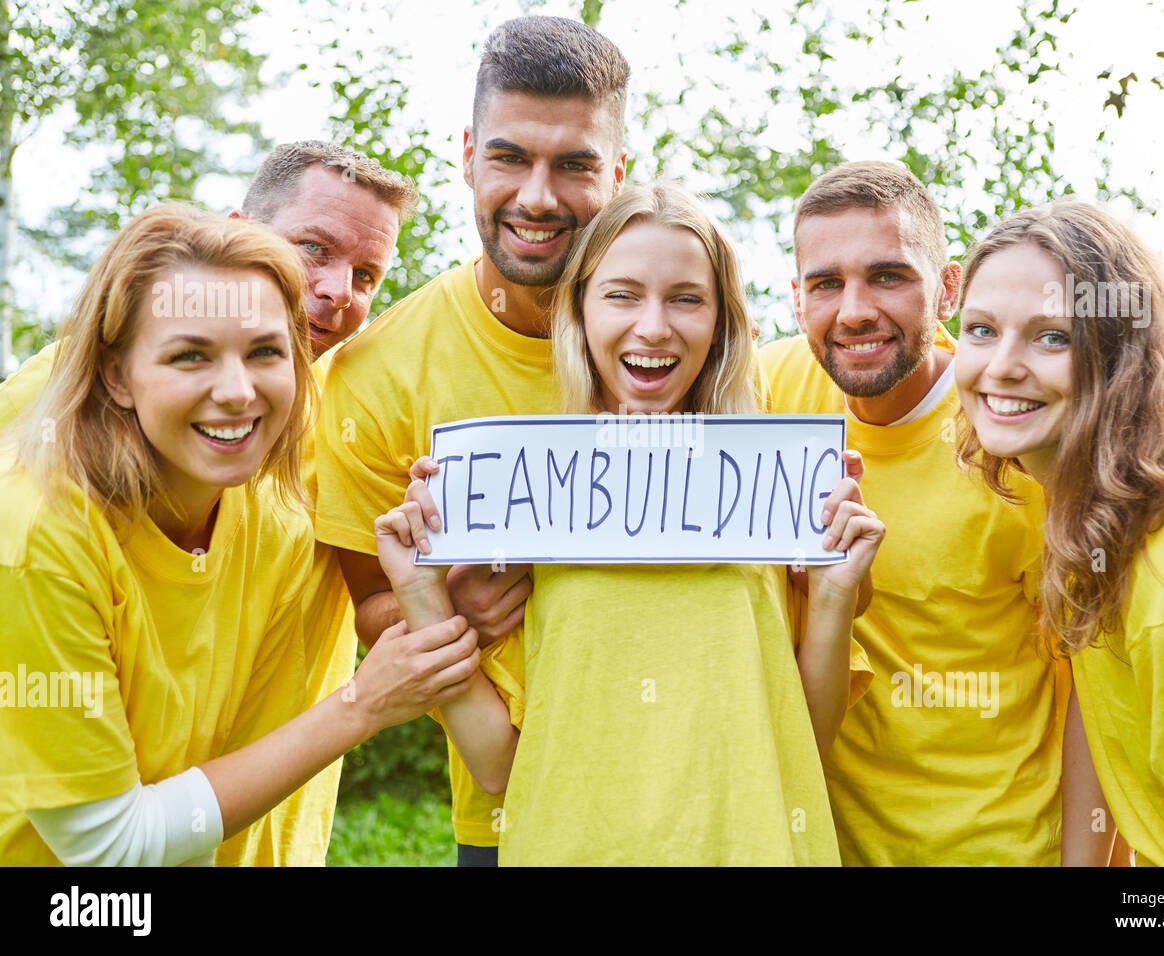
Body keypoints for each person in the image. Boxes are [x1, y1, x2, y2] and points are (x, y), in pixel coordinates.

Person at [374, 182, 883, 865]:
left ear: (720, 322)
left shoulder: (779, 494)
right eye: (622, 294)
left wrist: (834, 594)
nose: (653, 327)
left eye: (686, 298)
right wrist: (418, 592)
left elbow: (807, 740)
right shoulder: (523, 492)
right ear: (580, 313)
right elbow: (496, 763)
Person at [0, 204, 474, 866]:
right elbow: (107, 843)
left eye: (264, 352)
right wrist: (362, 705)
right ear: (116, 375)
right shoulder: (35, 543)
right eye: (190, 355)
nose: (237, 391)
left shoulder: (275, 501)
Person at [313, 15, 630, 866]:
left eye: (574, 164)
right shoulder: (377, 372)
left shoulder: (680, 338)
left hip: (698, 784)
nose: (537, 196)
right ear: (466, 154)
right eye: (509, 157)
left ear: (618, 173)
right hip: (504, 812)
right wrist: (447, 604)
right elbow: (358, 609)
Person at [952, 199, 1164, 866]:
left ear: (1123, 357)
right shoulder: (1108, 495)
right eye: (981, 330)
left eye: (1052, 337)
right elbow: (1102, 690)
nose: (1002, 366)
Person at [759, 160, 1064, 865]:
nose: (855, 308)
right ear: (798, 300)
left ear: (948, 288)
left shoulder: (1016, 444)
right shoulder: (768, 389)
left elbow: (1092, 695)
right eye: (826, 283)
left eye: (889, 276)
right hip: (825, 848)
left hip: (996, 849)